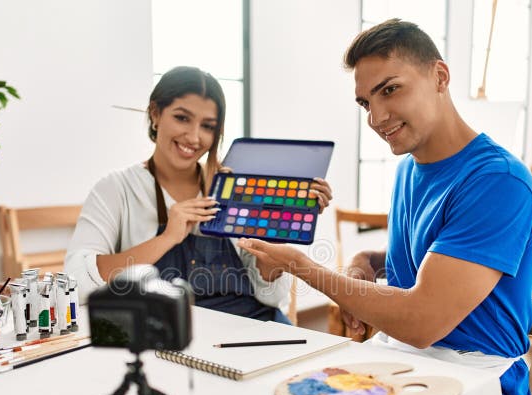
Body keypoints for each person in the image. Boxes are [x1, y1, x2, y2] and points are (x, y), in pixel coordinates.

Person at [237, 19, 532, 395]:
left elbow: (422, 321)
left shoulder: (498, 181)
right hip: (403, 366)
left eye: (390, 90)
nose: (376, 117)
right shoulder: (408, 171)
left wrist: (302, 266)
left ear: (440, 76)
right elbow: (429, 262)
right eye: (365, 102)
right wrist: (368, 258)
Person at [65, 66, 332, 323]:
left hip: (250, 327)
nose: (194, 137)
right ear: (155, 113)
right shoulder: (116, 189)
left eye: (208, 126)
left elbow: (271, 297)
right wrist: (168, 237)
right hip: (167, 334)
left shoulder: (232, 187)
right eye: (182, 118)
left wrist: (276, 249)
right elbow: (76, 284)